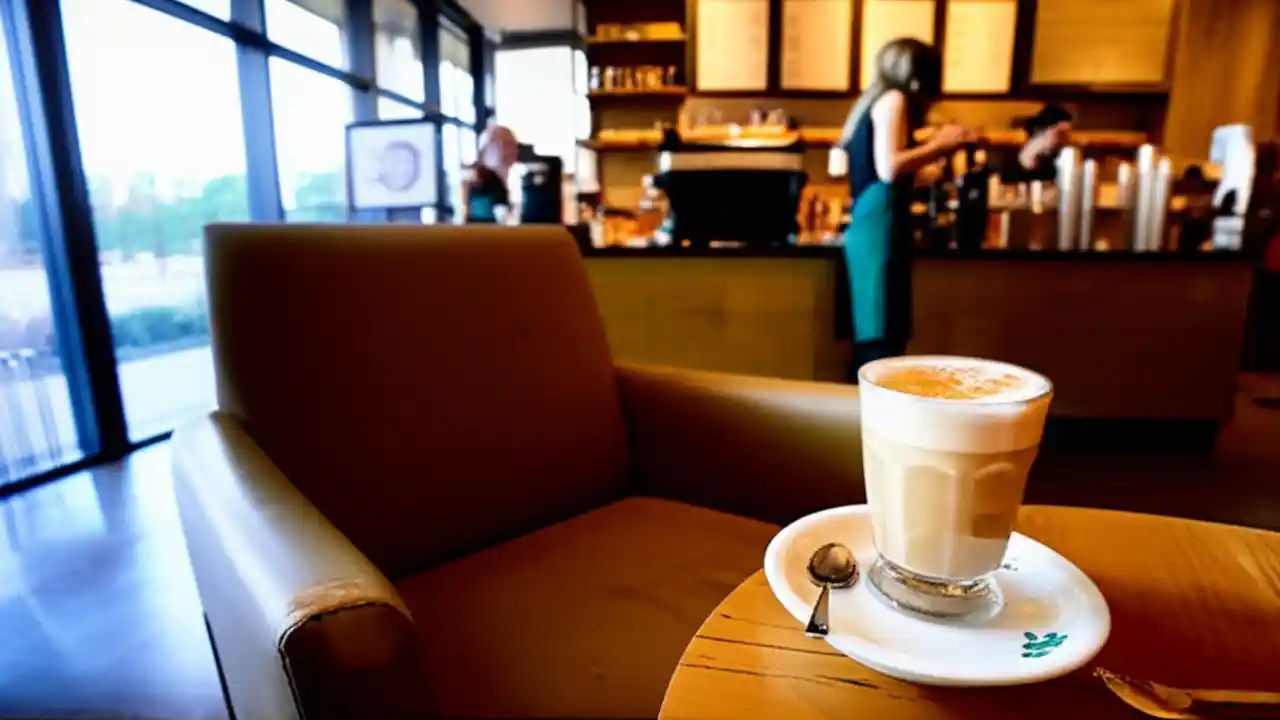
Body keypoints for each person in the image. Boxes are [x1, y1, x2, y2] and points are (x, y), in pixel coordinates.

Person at [838, 38, 973, 378]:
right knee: (881, 341)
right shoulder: (894, 99)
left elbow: (891, 171)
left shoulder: (874, 101)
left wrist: (933, 155)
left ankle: (858, 417)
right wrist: (942, 143)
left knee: (877, 337)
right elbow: (890, 167)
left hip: (872, 226)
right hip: (879, 231)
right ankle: (866, 419)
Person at [463, 124, 518, 223]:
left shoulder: (510, 181)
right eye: (506, 144)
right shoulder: (482, 184)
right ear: (485, 150)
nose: (513, 151)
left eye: (513, 145)